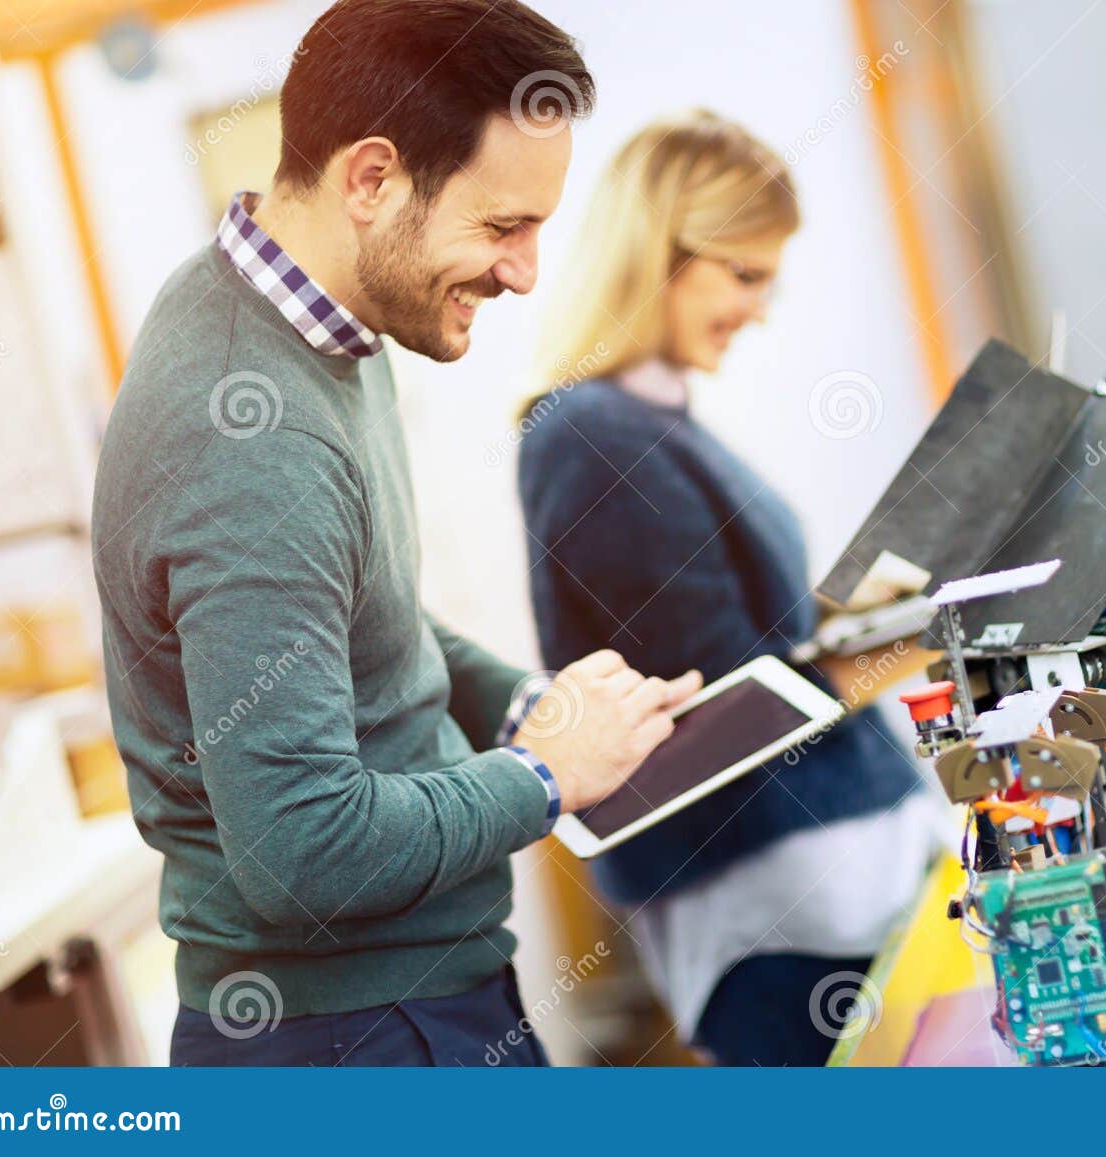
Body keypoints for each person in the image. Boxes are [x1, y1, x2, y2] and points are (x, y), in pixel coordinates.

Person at [91, 0, 701, 1067]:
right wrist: (545, 776)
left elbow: (360, 615)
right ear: (370, 180)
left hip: (402, 1008)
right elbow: (301, 850)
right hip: (348, 1039)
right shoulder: (245, 433)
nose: (525, 272)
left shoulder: (313, 325)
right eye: (502, 226)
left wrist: (530, 708)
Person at [518, 111, 953, 1066]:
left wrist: (871, 617)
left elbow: (758, 637)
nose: (758, 310)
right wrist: (919, 635)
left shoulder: (657, 425)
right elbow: (732, 701)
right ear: (657, 256)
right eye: (744, 276)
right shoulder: (591, 436)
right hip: (779, 906)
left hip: (834, 878)